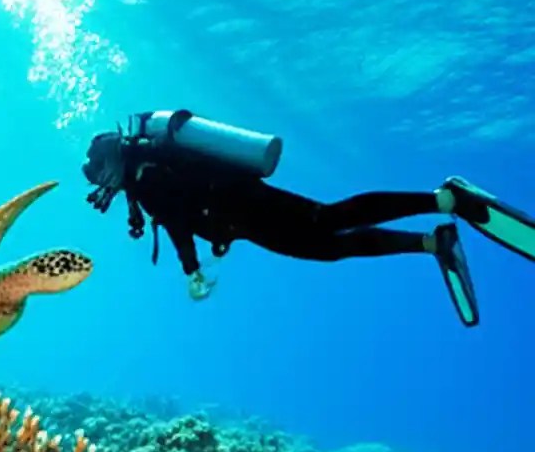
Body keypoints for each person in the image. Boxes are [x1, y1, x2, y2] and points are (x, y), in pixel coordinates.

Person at [80, 110, 535, 327]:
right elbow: (186, 211)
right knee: (326, 247)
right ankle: (433, 242)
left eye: (98, 172)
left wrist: (191, 269)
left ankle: (444, 199)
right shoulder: (147, 174)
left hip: (246, 206)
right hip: (243, 217)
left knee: (331, 218)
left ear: (110, 163)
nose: (103, 182)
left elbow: (179, 220)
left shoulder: (146, 178)